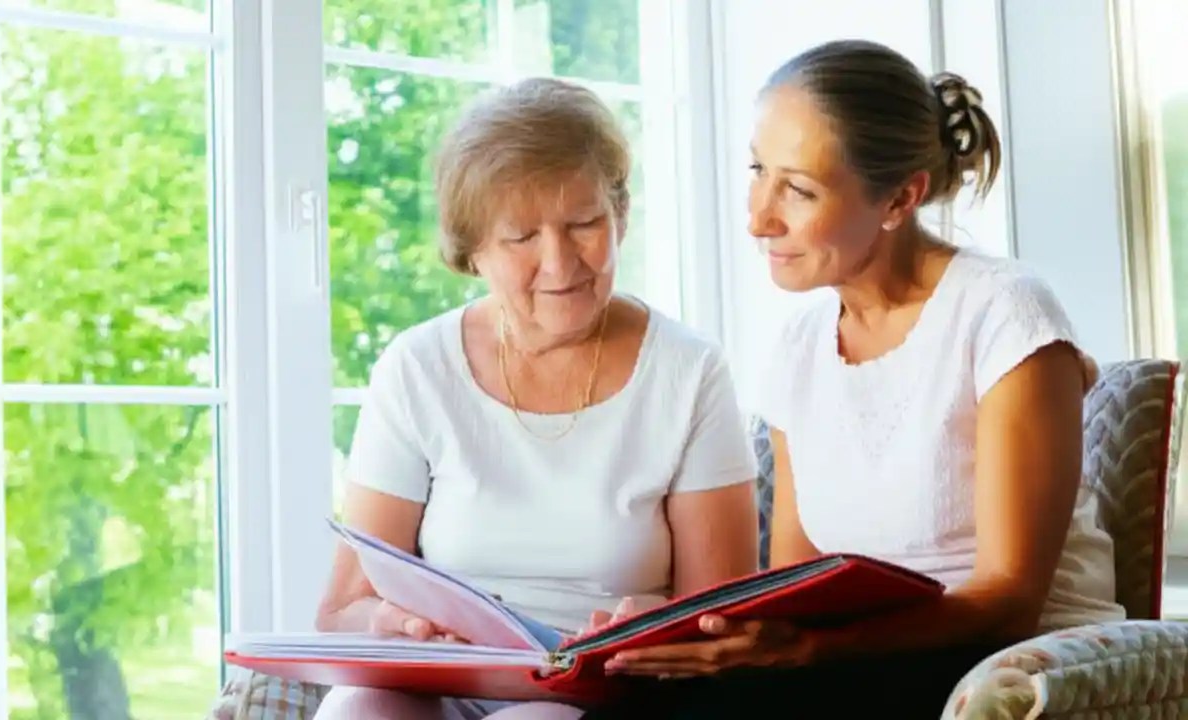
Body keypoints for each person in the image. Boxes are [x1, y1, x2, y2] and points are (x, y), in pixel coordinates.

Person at [580, 38, 1125, 719]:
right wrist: (676, 627)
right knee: (635, 704)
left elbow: (1009, 601)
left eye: (799, 190)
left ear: (901, 198)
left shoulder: (1003, 312)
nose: (757, 217)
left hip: (1005, 663)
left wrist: (806, 651)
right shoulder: (799, 349)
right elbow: (795, 586)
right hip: (860, 661)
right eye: (758, 170)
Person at [310, 77, 761, 720]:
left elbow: (724, 623)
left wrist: (657, 625)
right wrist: (391, 623)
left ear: (620, 216)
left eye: (584, 224)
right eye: (522, 237)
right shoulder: (416, 368)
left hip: (598, 697)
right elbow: (340, 613)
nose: (560, 263)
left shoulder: (688, 372)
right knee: (356, 711)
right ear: (473, 252)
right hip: (440, 688)